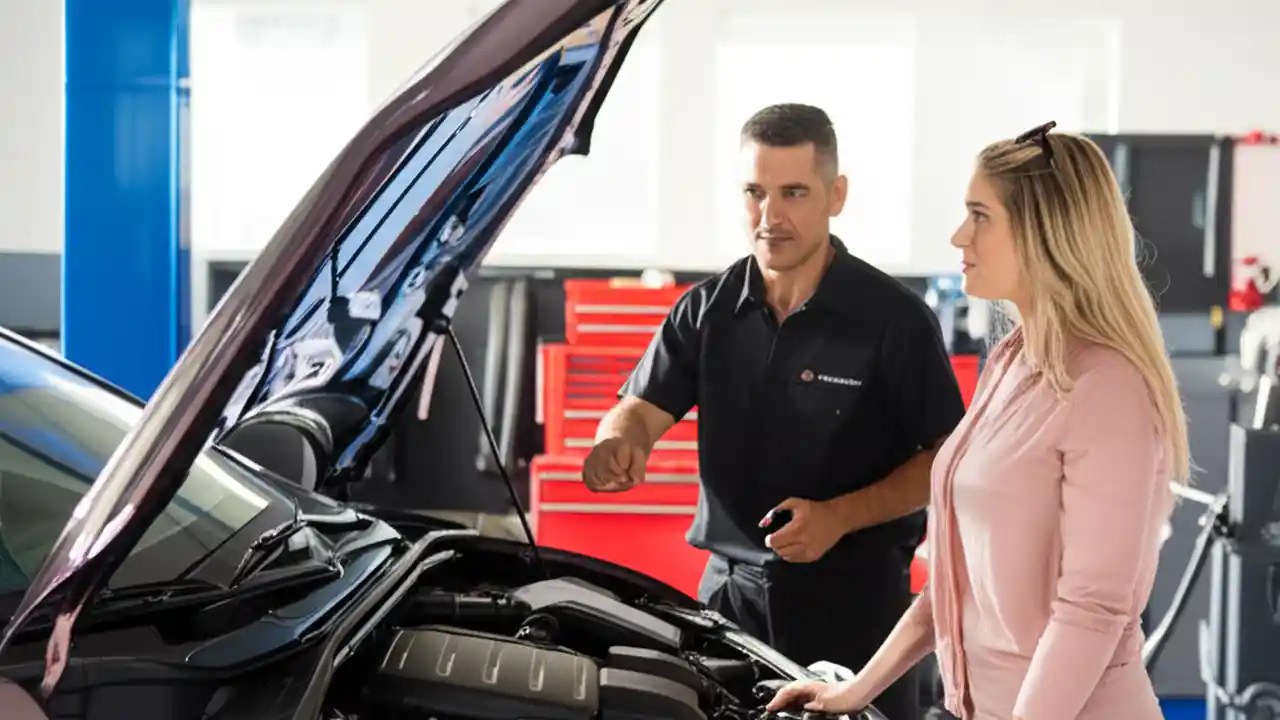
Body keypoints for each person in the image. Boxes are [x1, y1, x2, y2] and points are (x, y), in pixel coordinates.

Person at [767, 122, 1190, 720]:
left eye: (980, 215)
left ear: (1047, 232)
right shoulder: (1013, 360)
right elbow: (952, 583)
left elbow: (1093, 610)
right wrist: (854, 690)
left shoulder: (1109, 387)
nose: (959, 235)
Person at [582, 103, 967, 719]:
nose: (770, 216)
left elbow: (947, 462)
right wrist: (618, 442)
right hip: (729, 605)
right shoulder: (706, 310)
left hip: (857, 610)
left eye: (793, 192)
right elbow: (639, 409)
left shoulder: (894, 321)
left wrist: (840, 516)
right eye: (754, 193)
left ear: (835, 195)